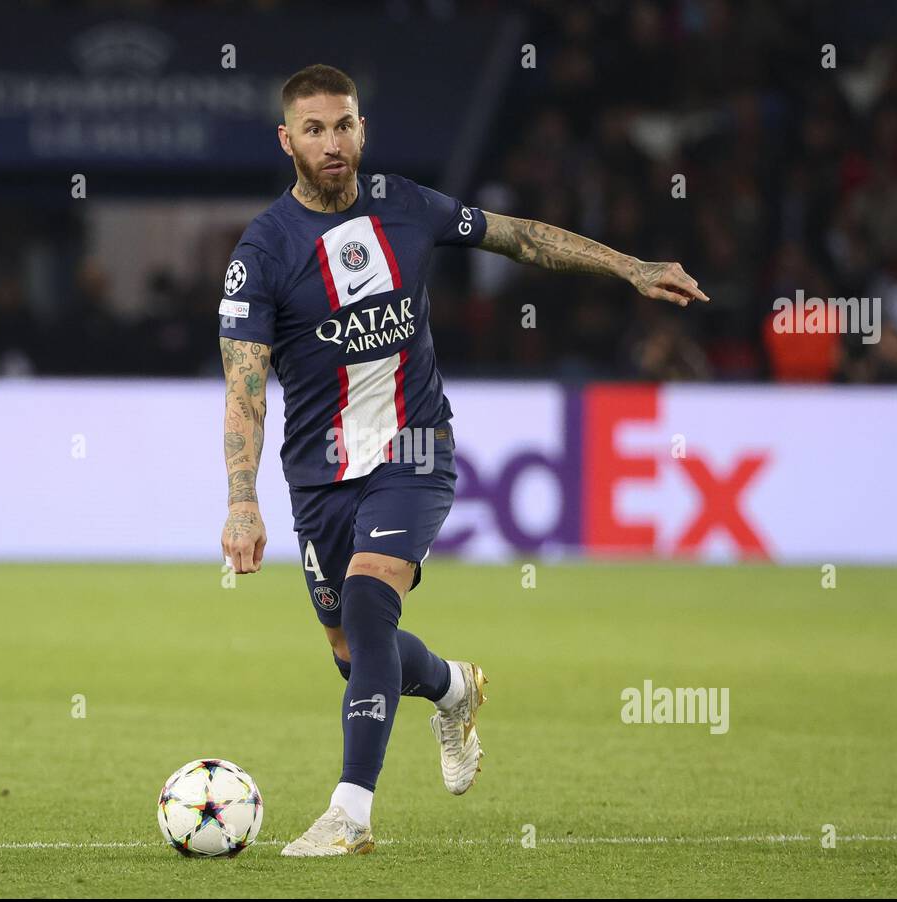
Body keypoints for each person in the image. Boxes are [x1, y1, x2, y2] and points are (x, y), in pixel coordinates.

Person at [218, 64, 708, 857]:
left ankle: (350, 813)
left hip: (415, 450)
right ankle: (453, 686)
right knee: (354, 657)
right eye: (314, 129)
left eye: (344, 124)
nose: (332, 142)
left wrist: (632, 267)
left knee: (373, 603)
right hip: (318, 476)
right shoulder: (263, 251)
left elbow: (520, 237)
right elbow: (244, 387)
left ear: (362, 128)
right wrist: (243, 500)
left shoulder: (407, 204)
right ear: (287, 140)